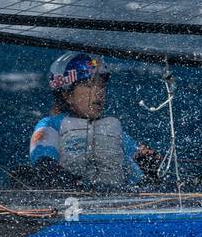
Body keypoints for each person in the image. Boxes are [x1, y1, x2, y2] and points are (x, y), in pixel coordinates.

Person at [26, 51, 162, 190]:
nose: (98, 92)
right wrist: (58, 175)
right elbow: (43, 160)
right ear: (67, 94)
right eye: (88, 85)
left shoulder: (112, 129)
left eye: (101, 85)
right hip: (71, 199)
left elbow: (140, 172)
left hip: (115, 198)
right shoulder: (50, 125)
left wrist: (150, 164)